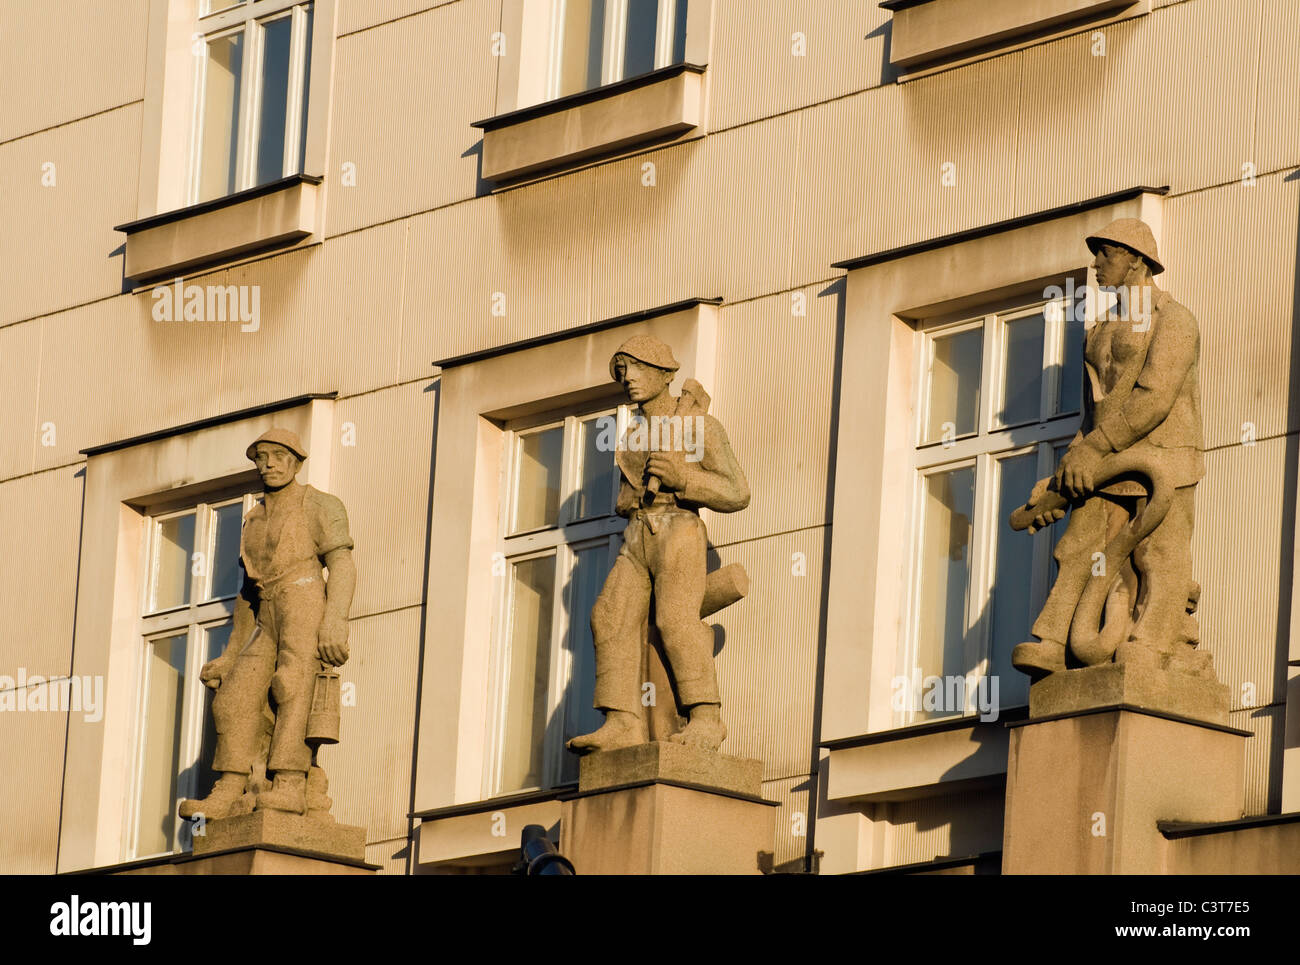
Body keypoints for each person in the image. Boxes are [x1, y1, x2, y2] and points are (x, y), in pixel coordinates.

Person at [1012, 219, 1204, 680]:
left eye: (1107, 254)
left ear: (1137, 259)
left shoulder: (1173, 320)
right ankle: (1056, 640)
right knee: (1079, 545)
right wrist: (1063, 475)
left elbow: (1154, 397)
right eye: (1097, 254)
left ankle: (1152, 642)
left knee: (1157, 553)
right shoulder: (1099, 329)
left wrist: (1095, 447)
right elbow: (1091, 413)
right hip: (1106, 458)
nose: (1096, 264)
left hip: (1164, 457)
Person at [568, 336, 750, 754]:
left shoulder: (698, 426)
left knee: (675, 620)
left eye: (637, 368)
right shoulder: (632, 435)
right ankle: (622, 722)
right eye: (622, 371)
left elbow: (738, 492)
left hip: (680, 530)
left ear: (666, 374)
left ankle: (706, 718)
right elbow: (623, 500)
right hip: (638, 534)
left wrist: (684, 479)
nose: (628, 378)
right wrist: (630, 497)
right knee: (609, 616)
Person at [179, 428, 355, 819]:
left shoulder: (320, 505)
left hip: (304, 597)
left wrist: (335, 619)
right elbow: (247, 594)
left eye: (277, 455)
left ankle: (291, 782)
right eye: (261, 457)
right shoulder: (253, 518)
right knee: (233, 697)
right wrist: (228, 656)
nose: (269, 463)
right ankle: (229, 785)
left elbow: (341, 564)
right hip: (266, 609)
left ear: (296, 461)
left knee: (292, 684)